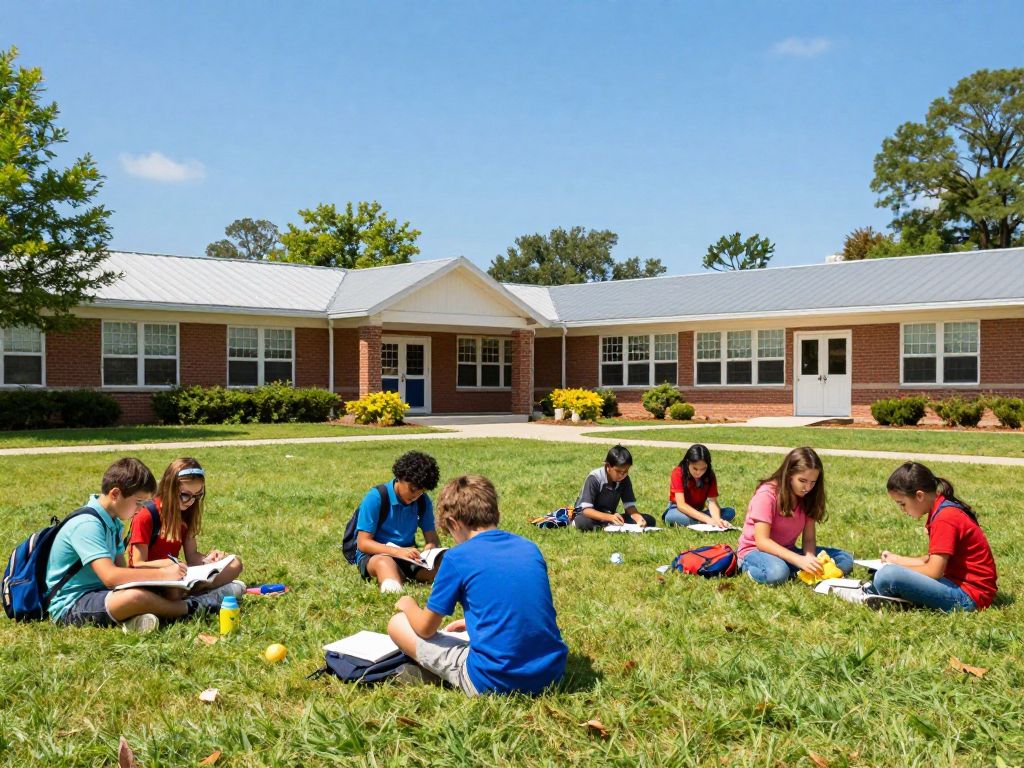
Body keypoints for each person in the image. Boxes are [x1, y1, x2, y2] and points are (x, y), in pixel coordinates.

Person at [387, 475, 568, 696]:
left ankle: (433, 675)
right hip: (553, 674)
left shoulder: (457, 558)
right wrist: (477, 620)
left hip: (494, 681)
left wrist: (408, 605)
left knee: (397, 624)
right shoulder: (530, 548)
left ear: (453, 523)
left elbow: (425, 628)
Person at [44, 457, 197, 633]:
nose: (140, 509)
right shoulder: (87, 524)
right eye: (138, 502)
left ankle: (133, 621)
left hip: (101, 593)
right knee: (137, 596)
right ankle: (190, 607)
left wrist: (161, 573)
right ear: (115, 494)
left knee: (152, 589)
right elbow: (110, 576)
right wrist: (163, 574)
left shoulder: (112, 522)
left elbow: (122, 572)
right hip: (70, 605)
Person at [867, 462, 997, 611]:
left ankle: (882, 595)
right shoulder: (942, 509)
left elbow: (934, 571)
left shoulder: (945, 518)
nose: (902, 509)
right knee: (886, 572)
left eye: (902, 504)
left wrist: (894, 568)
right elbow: (929, 559)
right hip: (959, 585)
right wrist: (895, 559)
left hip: (969, 597)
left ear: (919, 495)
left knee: (887, 576)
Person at [126, 457, 244, 605]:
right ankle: (207, 596)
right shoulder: (146, 515)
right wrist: (168, 565)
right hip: (150, 578)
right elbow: (137, 563)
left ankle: (199, 595)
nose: (191, 501)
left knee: (235, 563)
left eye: (197, 495)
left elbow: (192, 556)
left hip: (178, 576)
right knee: (174, 591)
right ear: (169, 488)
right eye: (185, 495)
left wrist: (210, 560)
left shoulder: (186, 513)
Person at [736, 447, 853, 585]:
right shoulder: (767, 495)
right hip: (755, 551)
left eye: (813, 482)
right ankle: (748, 568)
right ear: (789, 474)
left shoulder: (808, 497)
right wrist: (799, 560)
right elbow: (762, 542)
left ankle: (802, 572)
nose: (808, 488)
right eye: (802, 481)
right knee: (778, 573)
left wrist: (809, 557)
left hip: (787, 551)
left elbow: (809, 539)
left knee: (845, 559)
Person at [355, 451, 442, 593]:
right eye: (412, 489)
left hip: (409, 557)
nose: (415, 496)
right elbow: (363, 543)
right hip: (376, 555)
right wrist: (397, 552)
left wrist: (429, 551)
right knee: (385, 563)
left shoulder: (423, 501)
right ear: (399, 477)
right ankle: (393, 592)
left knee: (446, 561)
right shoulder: (376, 497)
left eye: (421, 492)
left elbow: (431, 538)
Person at [573, 445, 656, 531]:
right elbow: (587, 510)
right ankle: (606, 524)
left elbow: (629, 506)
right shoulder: (594, 478)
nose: (622, 475)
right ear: (608, 466)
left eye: (626, 471)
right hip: (589, 515)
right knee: (583, 522)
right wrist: (609, 517)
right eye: (618, 471)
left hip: (610, 516)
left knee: (649, 519)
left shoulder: (625, 479)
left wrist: (639, 518)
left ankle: (607, 525)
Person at [663, 444, 736, 528]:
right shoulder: (678, 473)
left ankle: (702, 521)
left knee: (730, 512)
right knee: (671, 517)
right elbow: (681, 505)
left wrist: (717, 520)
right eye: (695, 468)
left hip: (698, 510)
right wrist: (707, 519)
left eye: (703, 469)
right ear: (688, 463)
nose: (699, 472)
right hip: (678, 510)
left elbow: (713, 502)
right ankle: (704, 521)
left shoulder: (710, 475)